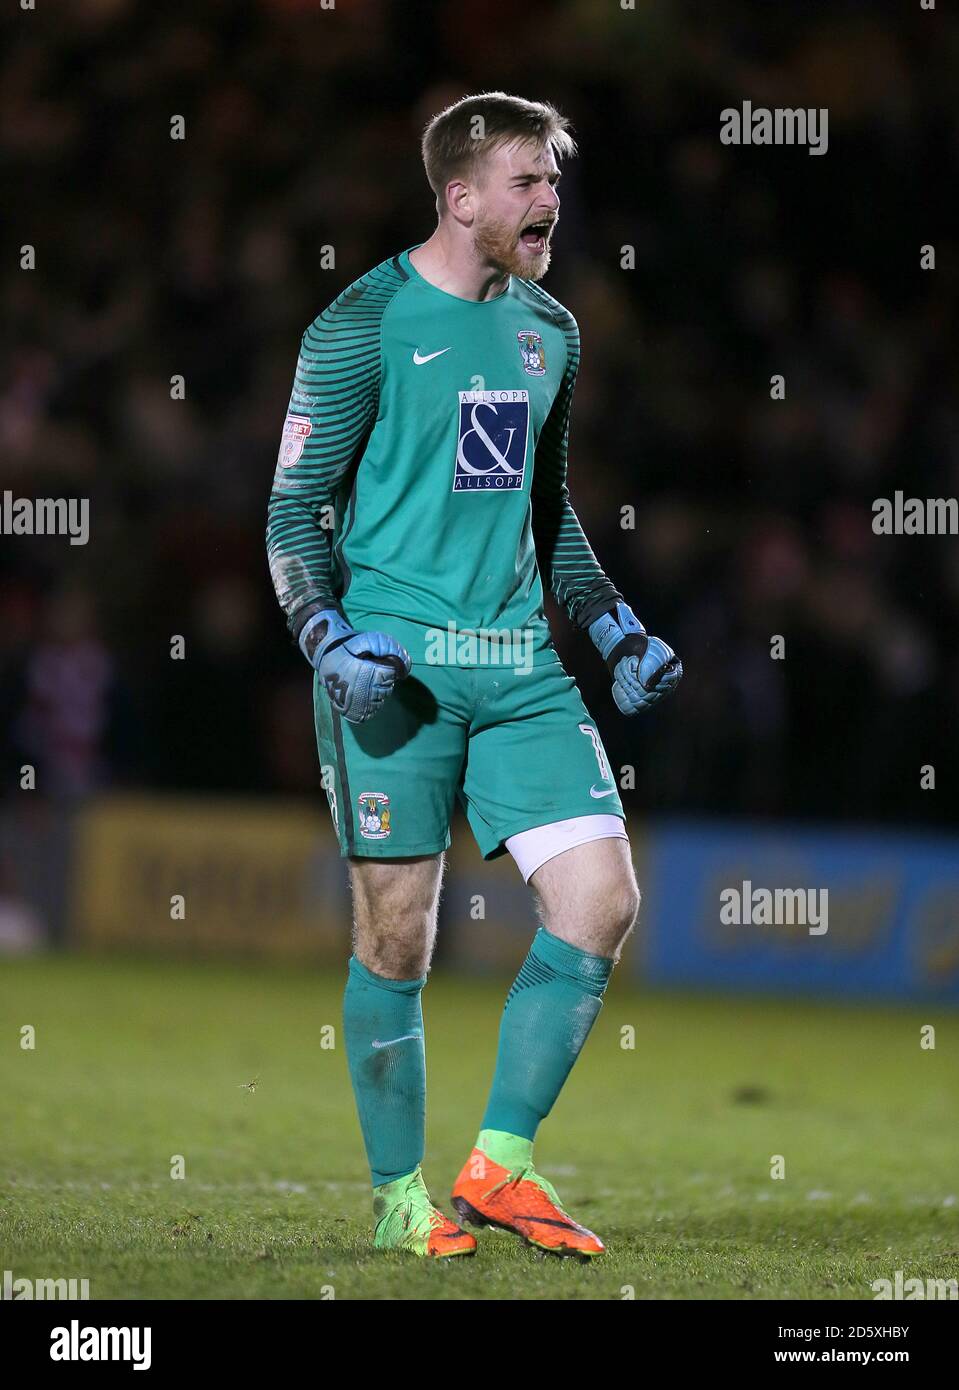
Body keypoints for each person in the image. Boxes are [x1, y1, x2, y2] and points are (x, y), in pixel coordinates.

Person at [266, 92, 682, 1260]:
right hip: (395, 671)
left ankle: (501, 1165)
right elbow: (294, 511)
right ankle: (401, 1196)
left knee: (601, 900)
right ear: (458, 197)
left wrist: (612, 631)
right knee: (398, 942)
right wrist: (327, 637)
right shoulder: (360, 324)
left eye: (552, 178)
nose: (548, 200)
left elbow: (545, 516)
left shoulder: (553, 327)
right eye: (524, 182)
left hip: (522, 668)